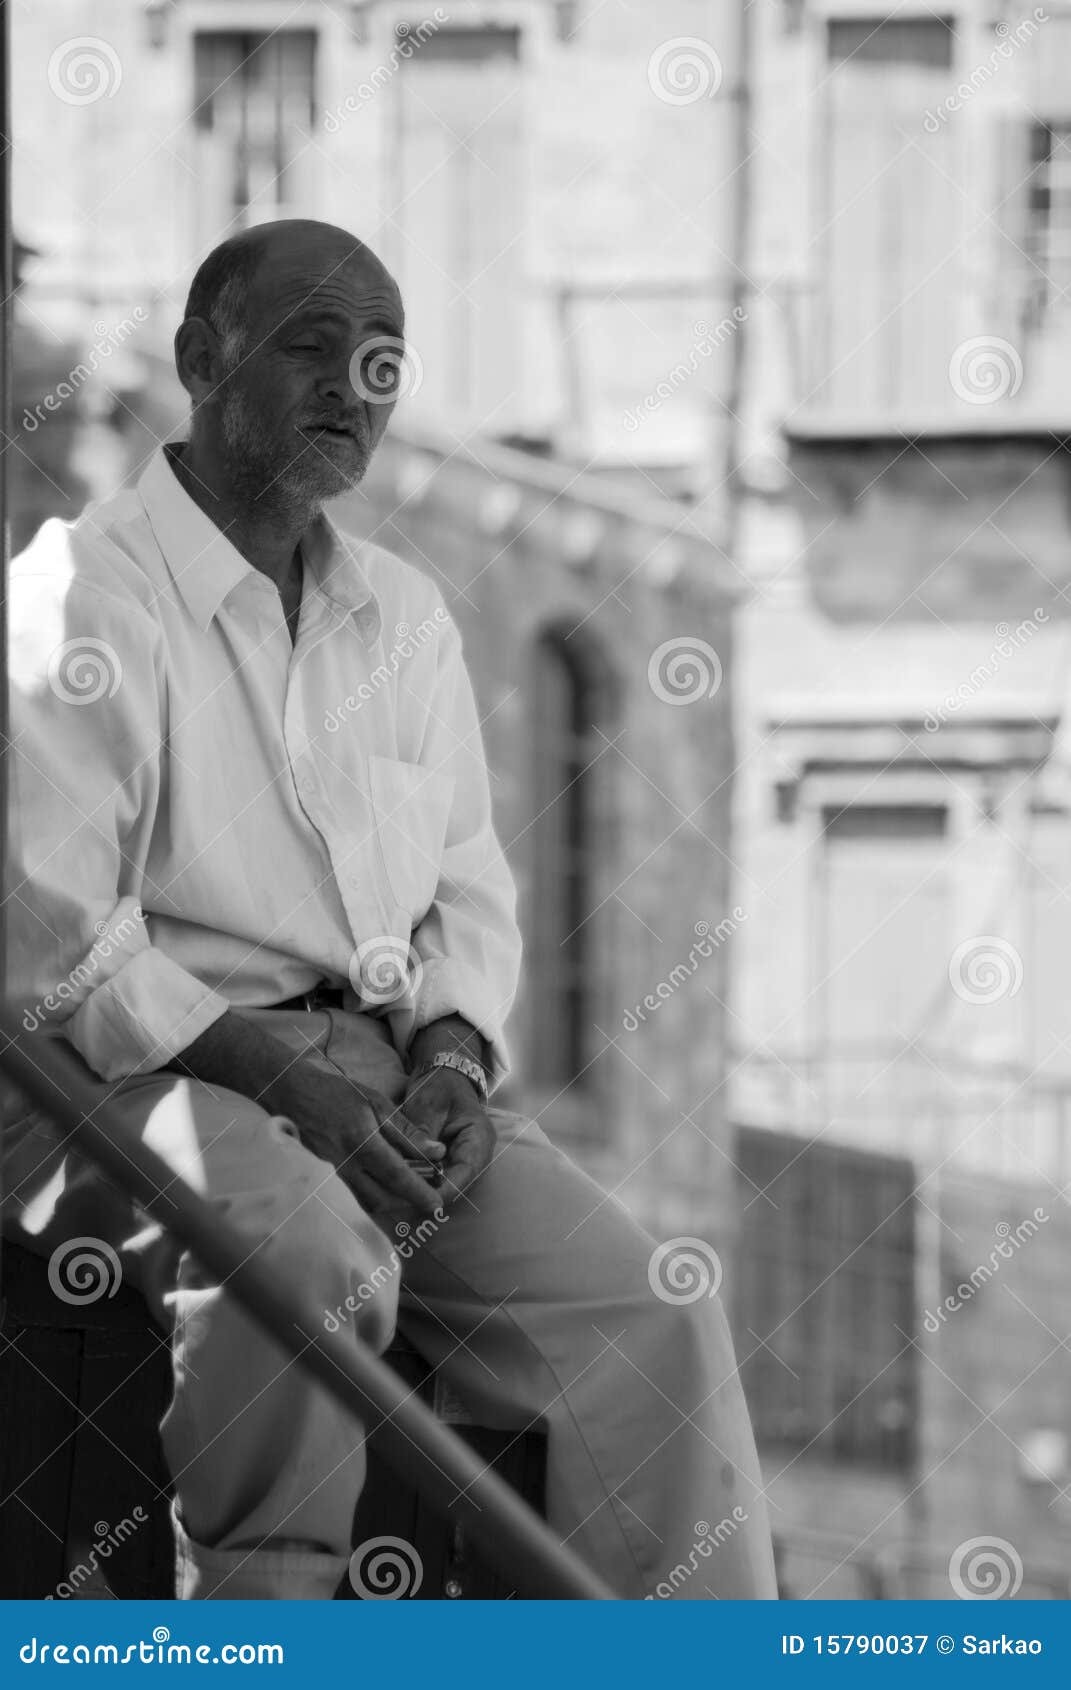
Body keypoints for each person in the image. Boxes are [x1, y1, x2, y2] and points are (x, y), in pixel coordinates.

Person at [2, 219, 777, 1601]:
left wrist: (453, 1063)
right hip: (120, 1079)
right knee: (299, 1242)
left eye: (382, 363)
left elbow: (467, 898)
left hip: (371, 1072)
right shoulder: (79, 594)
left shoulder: (408, 616)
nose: (352, 388)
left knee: (655, 1304)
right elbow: (50, 940)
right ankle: (276, 1623)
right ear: (199, 359)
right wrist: (275, 1068)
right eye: (312, 347)